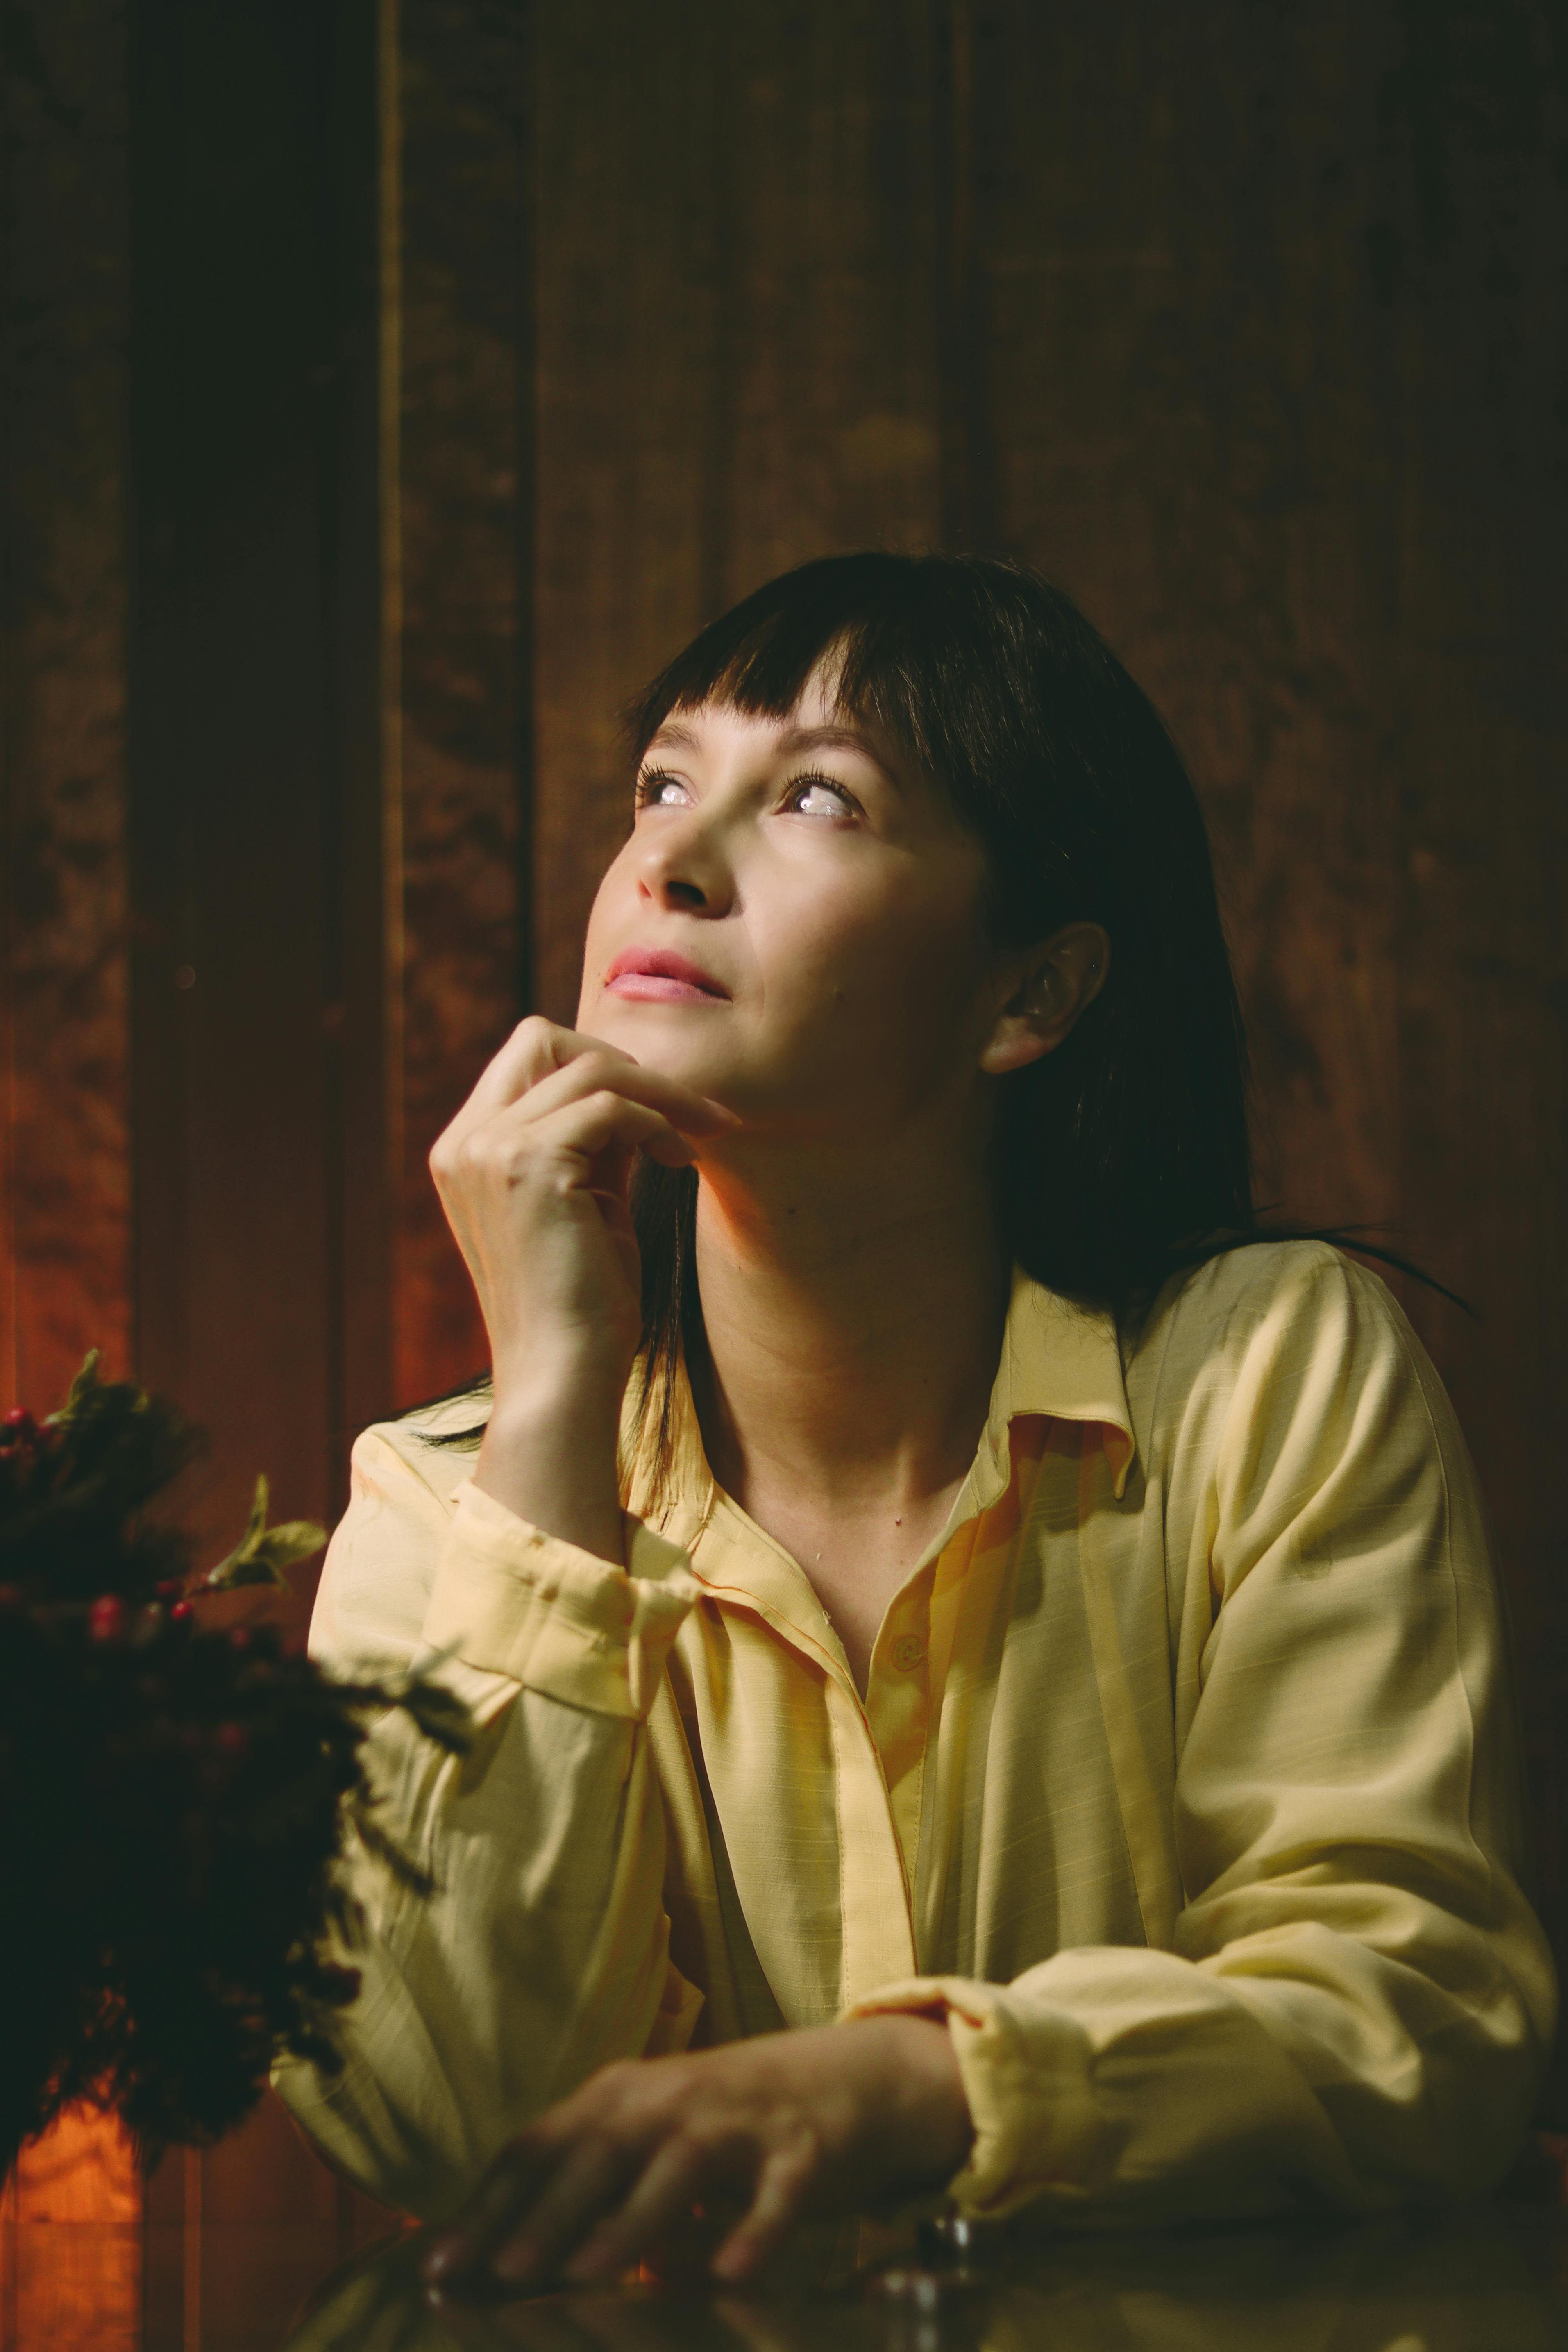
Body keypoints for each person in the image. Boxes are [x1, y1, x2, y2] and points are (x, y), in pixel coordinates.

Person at [271, 553, 1555, 2293]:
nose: (670, 857)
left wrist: (927, 2080)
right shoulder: (444, 1505)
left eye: (816, 794)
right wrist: (559, 1399)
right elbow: (453, 2128)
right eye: (660, 782)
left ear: (1031, 997)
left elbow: (1421, 2002)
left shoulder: (1270, 1370)